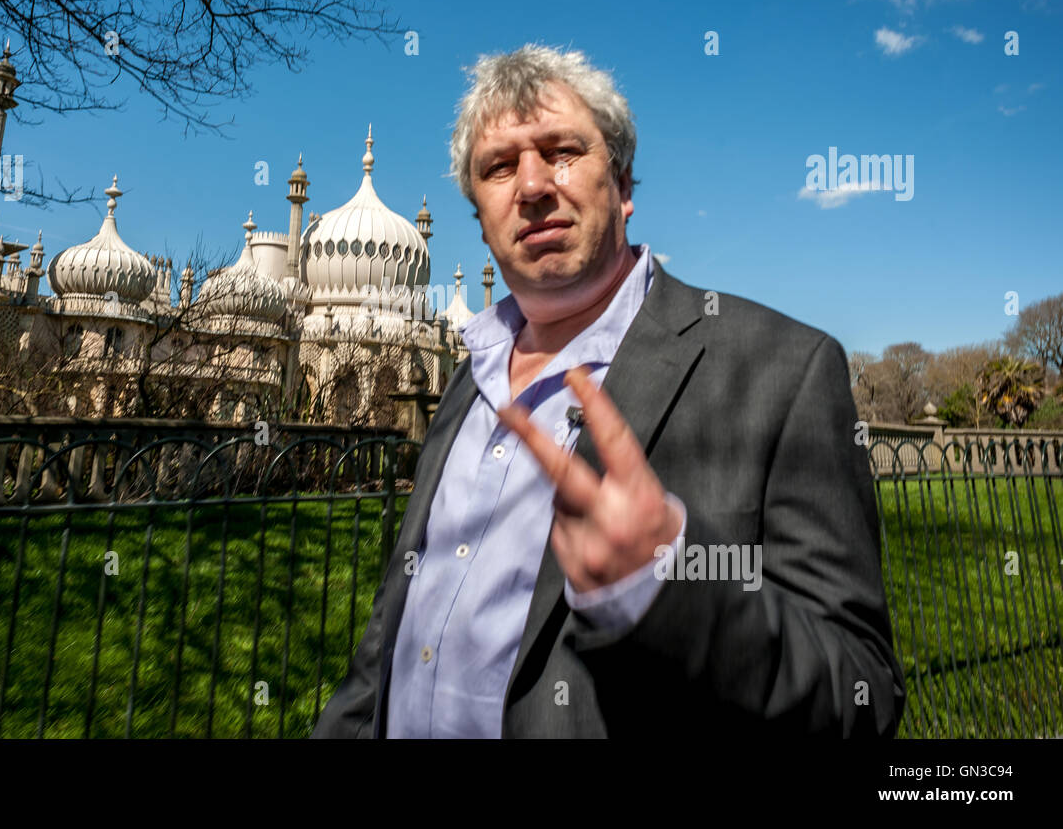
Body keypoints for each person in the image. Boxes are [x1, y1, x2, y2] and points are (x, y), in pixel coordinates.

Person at [311, 44, 905, 738]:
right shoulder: (465, 382)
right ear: (478, 219)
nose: (531, 185)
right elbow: (390, 640)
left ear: (623, 185)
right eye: (498, 167)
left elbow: (861, 692)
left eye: (562, 151)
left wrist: (665, 581)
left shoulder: (781, 370)